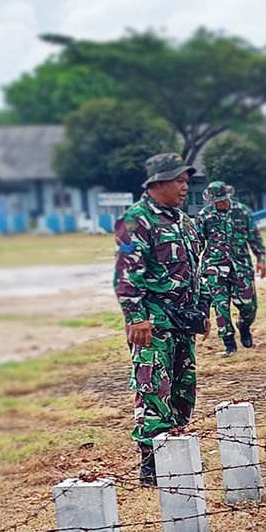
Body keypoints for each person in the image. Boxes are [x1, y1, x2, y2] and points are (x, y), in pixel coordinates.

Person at [113, 153, 208, 486]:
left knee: (184, 391)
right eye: (178, 181)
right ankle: (152, 464)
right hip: (152, 326)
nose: (185, 187)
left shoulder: (184, 222)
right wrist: (136, 318)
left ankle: (176, 450)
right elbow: (127, 276)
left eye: (186, 181)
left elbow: (194, 272)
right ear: (156, 184)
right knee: (154, 390)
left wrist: (201, 311)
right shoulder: (136, 220)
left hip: (182, 323)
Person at [197, 179, 266, 356]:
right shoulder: (204, 215)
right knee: (220, 305)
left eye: (222, 199)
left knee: (248, 306)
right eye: (216, 201)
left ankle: (244, 326)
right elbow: (197, 241)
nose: (220, 203)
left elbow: (254, 236)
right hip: (215, 266)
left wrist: (261, 258)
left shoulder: (242, 211)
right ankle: (228, 343)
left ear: (227, 196)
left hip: (240, 266)